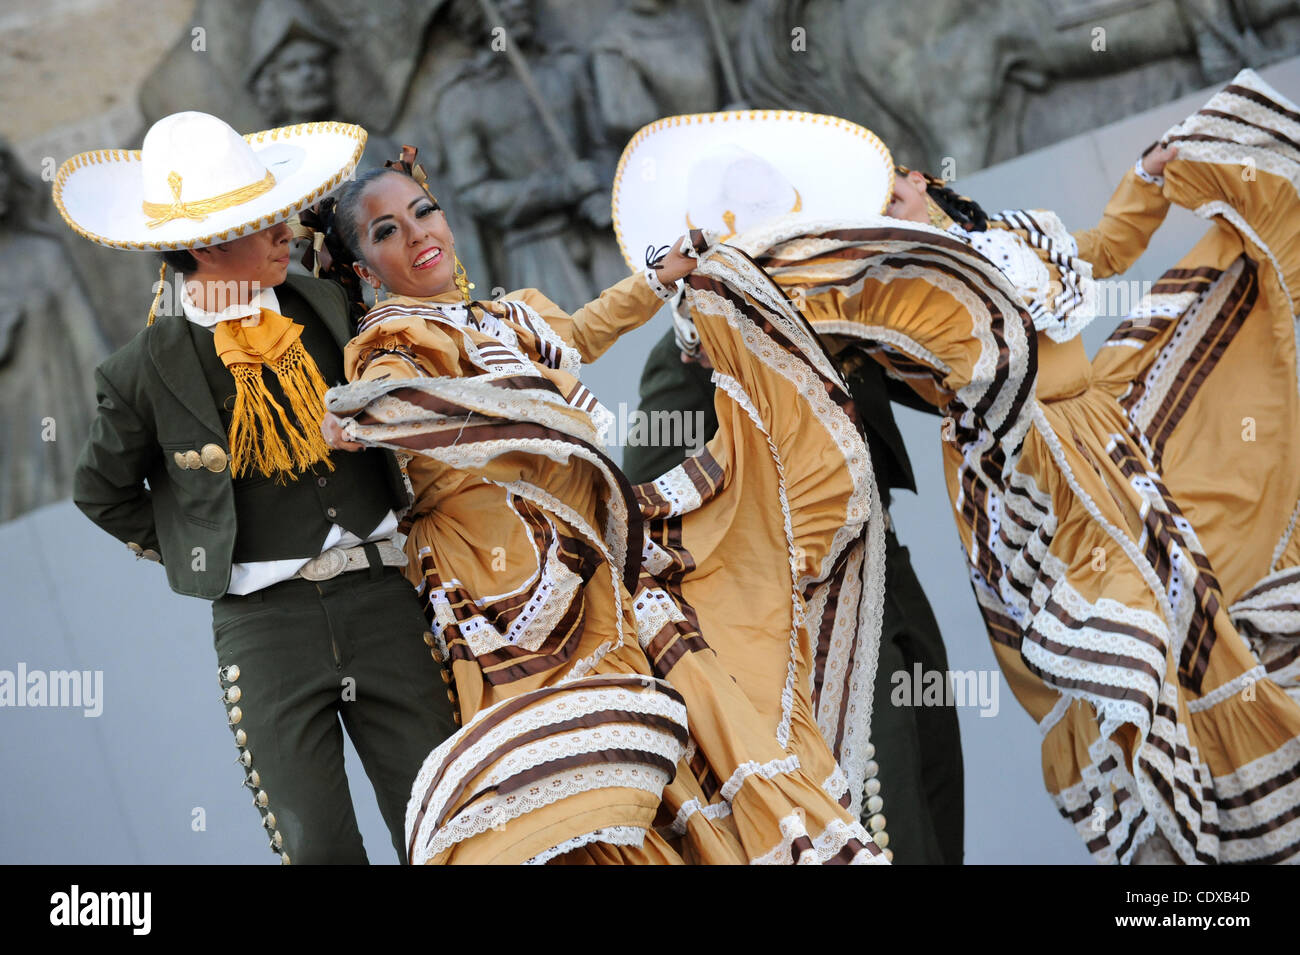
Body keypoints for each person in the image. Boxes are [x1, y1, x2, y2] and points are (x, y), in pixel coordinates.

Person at [677, 70, 1300, 863]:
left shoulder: (1020, 234)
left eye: (892, 182)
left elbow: (1104, 250)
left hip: (1108, 448)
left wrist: (1147, 177)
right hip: (1022, 493)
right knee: (1125, 654)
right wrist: (717, 276)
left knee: (1190, 626)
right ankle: (1168, 855)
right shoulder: (896, 290)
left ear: (922, 178)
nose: (887, 197)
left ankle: (1228, 853)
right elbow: (807, 313)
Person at [317, 158, 888, 864]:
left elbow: (580, 331)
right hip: (506, 594)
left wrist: (657, 278)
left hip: (589, 559)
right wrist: (359, 414)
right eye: (386, 230)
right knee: (586, 785)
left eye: (423, 211)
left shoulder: (506, 315)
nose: (417, 234)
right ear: (365, 269)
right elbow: (392, 395)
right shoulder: (392, 343)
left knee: (673, 750)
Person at [57, 111, 458, 864]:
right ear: (208, 246)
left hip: (383, 599)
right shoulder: (141, 370)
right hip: (266, 629)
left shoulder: (325, 305)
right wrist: (199, 546)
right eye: (260, 220)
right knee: (317, 847)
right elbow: (101, 493)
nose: (283, 232)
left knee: (445, 820)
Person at [617, 115, 963, 865]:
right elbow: (645, 517)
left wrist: (942, 227)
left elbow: (952, 379)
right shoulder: (688, 360)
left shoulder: (831, 318)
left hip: (890, 573)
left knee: (936, 783)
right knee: (883, 800)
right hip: (807, 611)